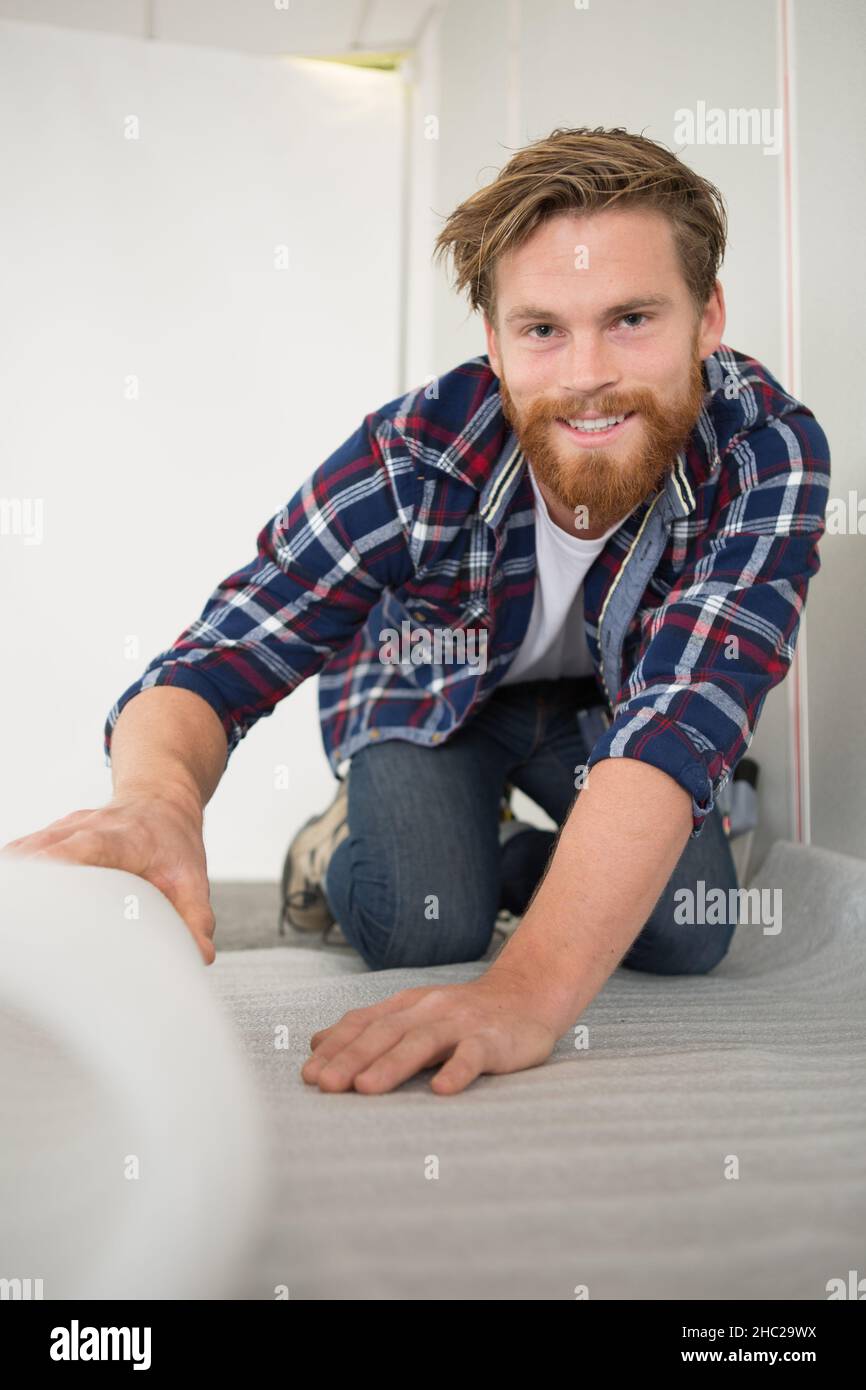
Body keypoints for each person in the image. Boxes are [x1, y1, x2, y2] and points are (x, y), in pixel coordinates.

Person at [3, 127, 830, 1095]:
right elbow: (222, 654)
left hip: (606, 721)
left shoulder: (764, 455)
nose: (585, 374)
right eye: (541, 330)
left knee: (689, 928)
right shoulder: (414, 454)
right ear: (491, 341)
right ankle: (340, 840)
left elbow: (676, 725)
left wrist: (522, 992)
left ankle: (521, 861)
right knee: (422, 921)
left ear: (706, 319)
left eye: (631, 318)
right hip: (432, 706)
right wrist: (157, 801)